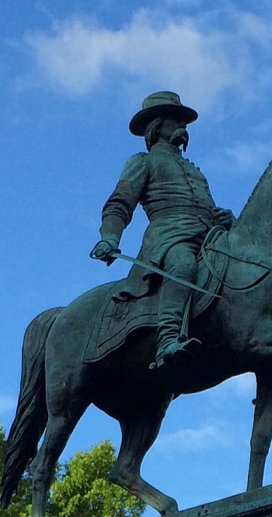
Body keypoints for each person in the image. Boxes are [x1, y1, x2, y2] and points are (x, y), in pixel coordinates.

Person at [91, 92, 233, 366]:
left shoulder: (194, 170)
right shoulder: (142, 162)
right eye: (175, 120)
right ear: (157, 126)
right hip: (170, 236)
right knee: (183, 266)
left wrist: (226, 220)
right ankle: (168, 339)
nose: (183, 127)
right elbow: (120, 203)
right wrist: (109, 237)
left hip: (211, 236)